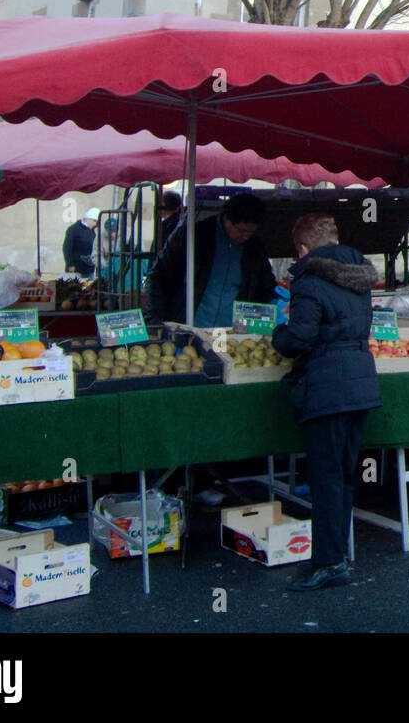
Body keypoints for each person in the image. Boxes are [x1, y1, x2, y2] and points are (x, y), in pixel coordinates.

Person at [273, 213, 381, 591]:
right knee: (343, 475)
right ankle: (337, 555)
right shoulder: (358, 275)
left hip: (327, 387)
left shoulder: (308, 279)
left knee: (325, 479)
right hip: (360, 383)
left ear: (303, 249)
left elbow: (300, 339)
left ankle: (329, 562)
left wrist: (277, 335)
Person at [144, 193, 275, 326]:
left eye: (251, 232)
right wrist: (155, 318)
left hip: (233, 333)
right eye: (241, 230)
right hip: (189, 326)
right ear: (226, 219)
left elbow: (265, 285)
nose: (246, 236)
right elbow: (158, 275)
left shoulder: (255, 248)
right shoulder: (192, 236)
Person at [62, 208, 99, 277]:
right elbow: (67, 248)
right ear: (87, 219)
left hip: (89, 269)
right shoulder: (73, 229)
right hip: (75, 269)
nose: (95, 224)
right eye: (94, 221)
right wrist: (70, 264)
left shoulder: (92, 231)